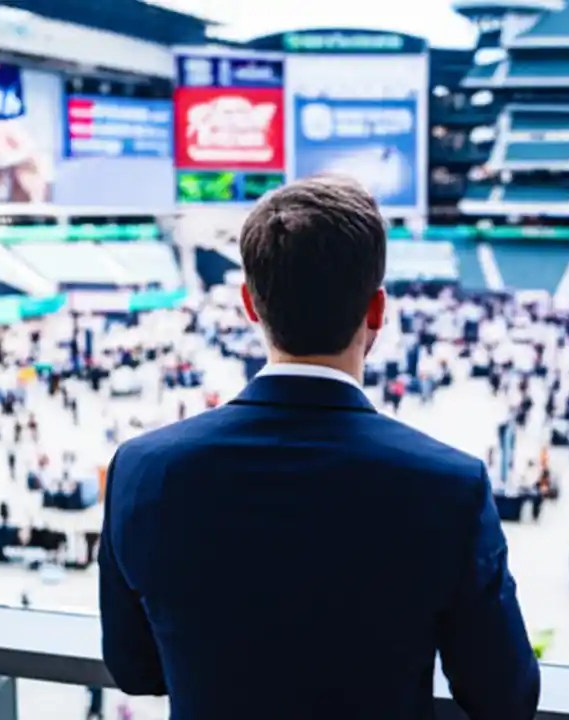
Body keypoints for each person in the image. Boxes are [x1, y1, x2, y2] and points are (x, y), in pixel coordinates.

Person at [99, 178, 539, 719]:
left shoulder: (142, 469)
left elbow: (134, 669)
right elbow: (505, 695)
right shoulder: (449, 485)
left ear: (250, 305)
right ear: (376, 311)